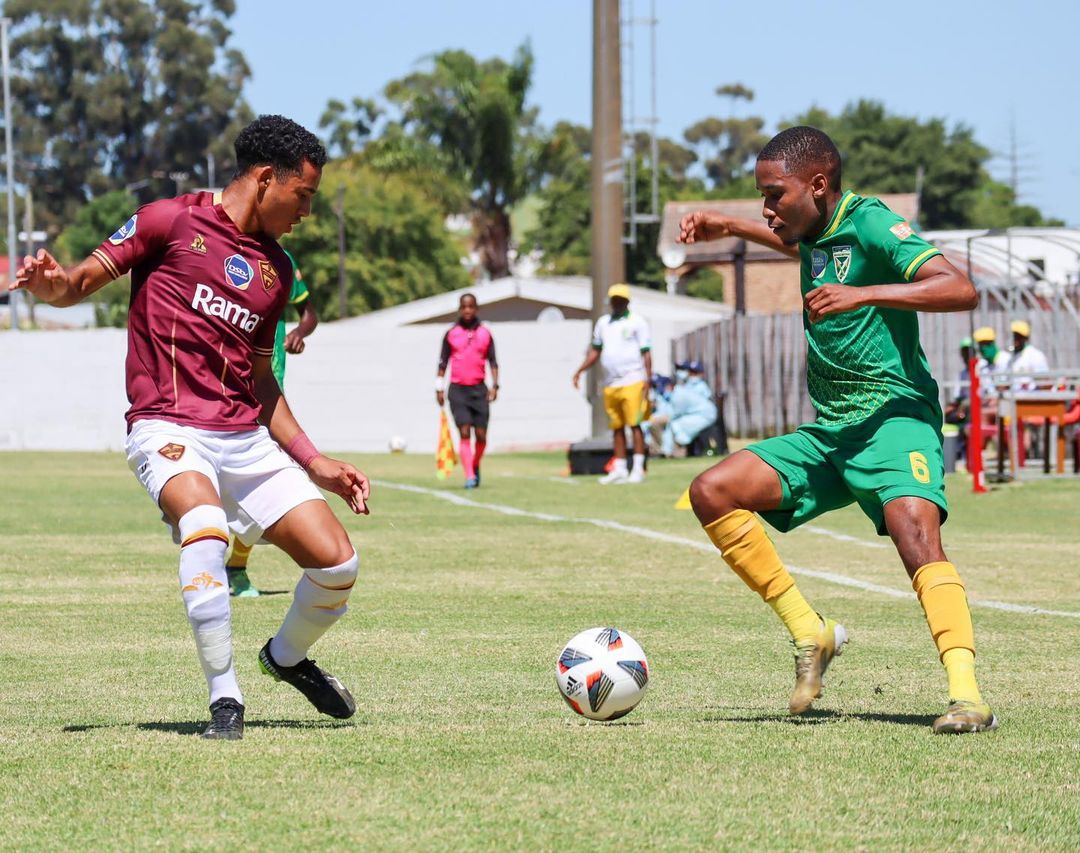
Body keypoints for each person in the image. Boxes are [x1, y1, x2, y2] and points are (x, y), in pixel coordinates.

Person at [12, 115, 369, 741]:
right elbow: (78, 283)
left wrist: (315, 461)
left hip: (246, 439)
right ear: (265, 179)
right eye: (304, 195)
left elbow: (262, 384)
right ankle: (225, 701)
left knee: (338, 564)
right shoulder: (168, 220)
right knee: (203, 529)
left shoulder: (276, 273)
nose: (306, 211)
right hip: (167, 426)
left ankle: (284, 658)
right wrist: (51, 285)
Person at [678, 126, 996, 734]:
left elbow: (961, 287)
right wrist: (733, 227)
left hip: (893, 421)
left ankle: (968, 697)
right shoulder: (817, 234)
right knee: (713, 490)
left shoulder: (872, 222)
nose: (767, 207)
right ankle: (811, 632)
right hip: (831, 434)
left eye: (774, 195)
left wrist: (865, 295)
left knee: (915, 539)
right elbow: (809, 252)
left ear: (818, 185)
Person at [226, 246, 319, 597]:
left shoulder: (283, 259)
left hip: (269, 383)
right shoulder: (225, 251)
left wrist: (299, 333)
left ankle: (236, 566)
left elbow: (309, 313)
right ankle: (219, 564)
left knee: (260, 479)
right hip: (225, 382)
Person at [573, 284, 652, 484]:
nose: (617, 303)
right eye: (614, 299)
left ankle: (638, 468)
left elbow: (646, 352)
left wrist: (648, 379)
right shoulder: (603, 323)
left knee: (635, 424)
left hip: (632, 379)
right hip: (610, 382)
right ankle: (620, 467)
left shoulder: (637, 322)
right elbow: (595, 350)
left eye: (620, 299)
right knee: (616, 426)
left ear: (627, 301)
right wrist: (580, 370)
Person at [436, 293, 498, 489]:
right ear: (460, 309)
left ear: (476, 308)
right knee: (464, 432)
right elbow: (442, 363)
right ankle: (469, 476)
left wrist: (495, 385)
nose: (467, 310)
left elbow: (493, 362)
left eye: (471, 307)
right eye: (464, 307)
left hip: (479, 390)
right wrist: (439, 388)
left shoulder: (485, 333)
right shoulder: (451, 334)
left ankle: (475, 463)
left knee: (481, 435)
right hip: (458, 390)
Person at [1005, 319, 1049, 390]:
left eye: (1018, 337)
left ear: (1025, 338)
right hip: (1014, 398)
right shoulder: (1011, 358)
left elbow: (1044, 382)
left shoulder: (1035, 355)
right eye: (1014, 336)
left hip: (1031, 398)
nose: (1015, 340)